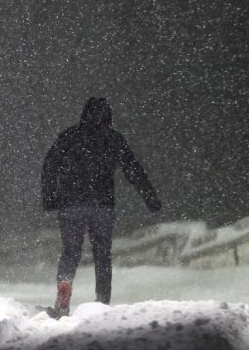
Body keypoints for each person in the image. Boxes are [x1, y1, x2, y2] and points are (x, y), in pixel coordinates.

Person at [42, 97, 161, 318]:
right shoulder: (114, 139)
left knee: (70, 251)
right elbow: (133, 169)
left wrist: (49, 197)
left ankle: (65, 283)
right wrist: (150, 197)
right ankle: (102, 303)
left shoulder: (69, 136)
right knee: (102, 254)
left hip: (71, 204)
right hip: (102, 205)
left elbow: (50, 165)